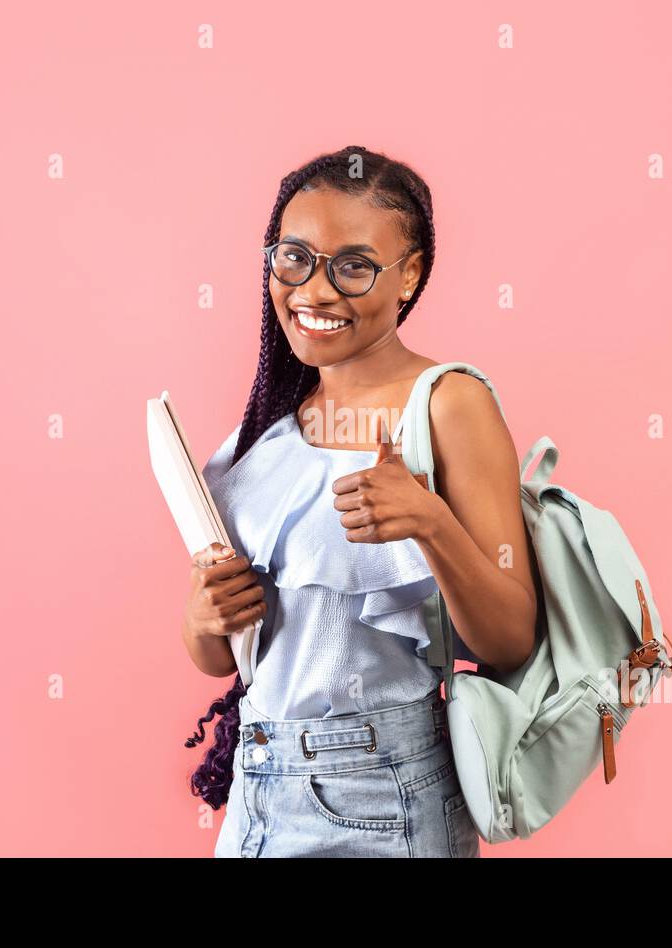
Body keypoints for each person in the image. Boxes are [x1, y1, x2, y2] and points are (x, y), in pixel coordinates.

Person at [181, 145, 539, 857]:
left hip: (381, 795)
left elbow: (510, 639)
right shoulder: (273, 419)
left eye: (352, 266)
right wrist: (200, 617)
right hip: (258, 789)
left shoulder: (446, 404)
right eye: (294, 258)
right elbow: (222, 660)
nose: (314, 292)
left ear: (409, 275)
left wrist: (430, 523)